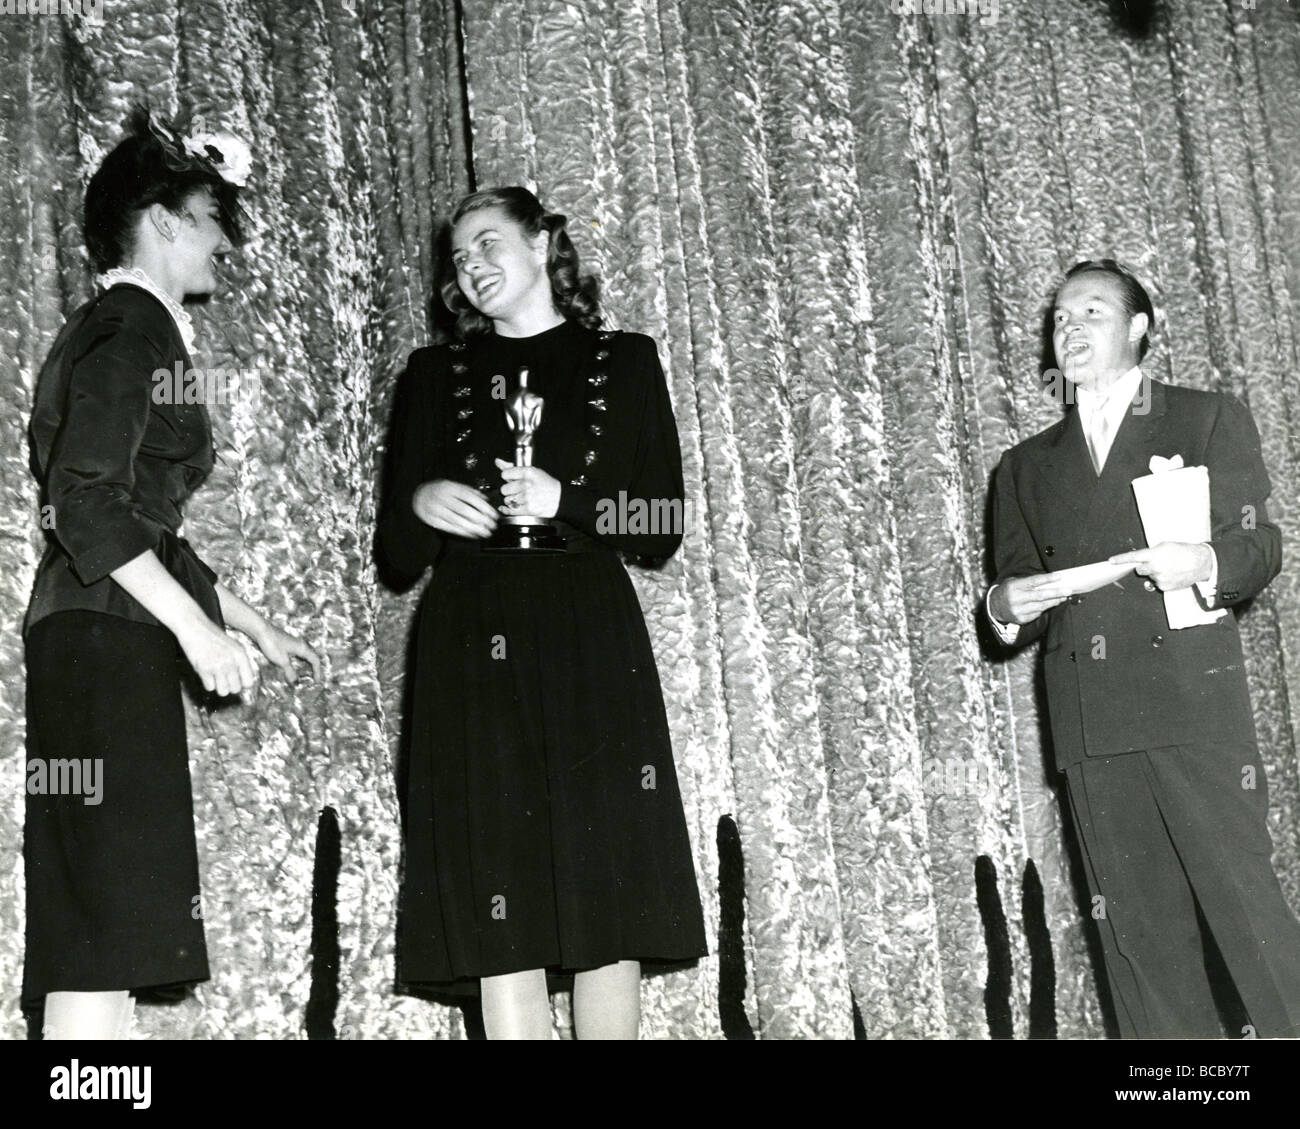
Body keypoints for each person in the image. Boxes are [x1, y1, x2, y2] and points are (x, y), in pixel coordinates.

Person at [378, 186, 707, 1039]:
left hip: (587, 635)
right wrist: (421, 500)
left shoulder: (627, 360)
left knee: (607, 895)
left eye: (489, 243)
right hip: (468, 638)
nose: (474, 266)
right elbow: (394, 554)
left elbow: (662, 527)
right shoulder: (430, 375)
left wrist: (575, 498)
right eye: (459, 257)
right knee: (501, 901)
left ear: (544, 241)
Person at [23, 107, 321, 1039]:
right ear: (162, 220)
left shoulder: (128, 329)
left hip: (105, 625)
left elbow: (140, 519)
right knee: (97, 924)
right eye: (211, 214)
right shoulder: (133, 328)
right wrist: (198, 630)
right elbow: (85, 502)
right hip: (107, 633)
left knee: (106, 919)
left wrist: (247, 618)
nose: (225, 237)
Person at [986, 259, 1300, 1037]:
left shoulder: (1204, 418)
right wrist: (1000, 604)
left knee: (1251, 925)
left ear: (1139, 329)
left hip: (1192, 706)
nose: (1070, 328)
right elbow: (1017, 592)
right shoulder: (1023, 467)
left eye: (1091, 312)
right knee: (1140, 948)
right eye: (1060, 317)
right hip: (1092, 728)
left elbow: (1261, 543)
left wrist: (1209, 563)